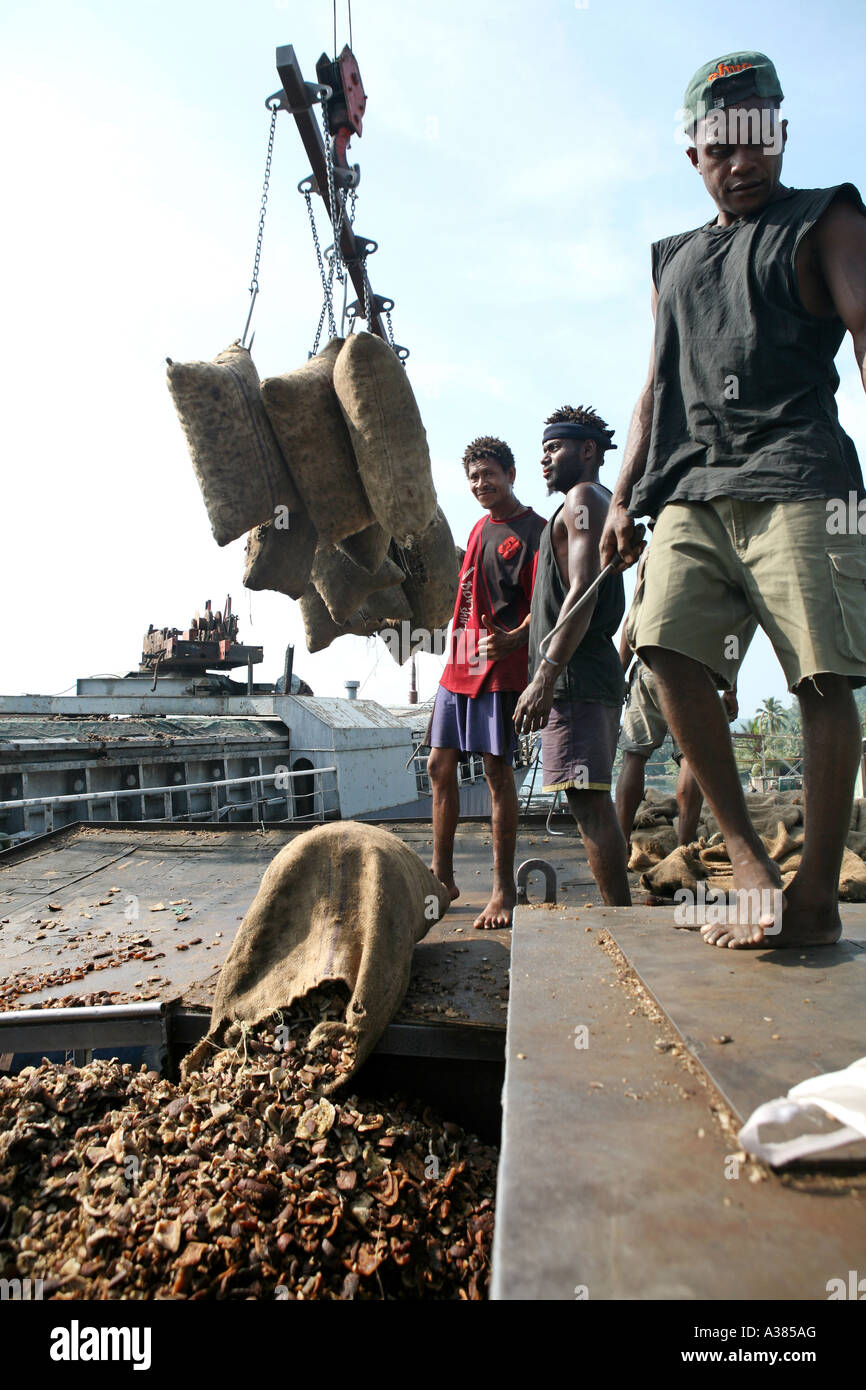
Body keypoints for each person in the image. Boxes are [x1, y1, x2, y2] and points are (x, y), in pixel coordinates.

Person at [599, 51, 866, 949]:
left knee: (821, 673)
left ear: (780, 135)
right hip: (691, 487)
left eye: (759, 140)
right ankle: (748, 862)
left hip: (799, 474)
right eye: (722, 148)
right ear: (695, 157)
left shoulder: (823, 217)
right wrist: (621, 493)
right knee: (665, 646)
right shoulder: (672, 259)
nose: (743, 163)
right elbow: (652, 384)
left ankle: (817, 896)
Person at [515, 406, 631, 906]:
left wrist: (545, 675)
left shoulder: (584, 498)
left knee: (589, 806)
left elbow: (583, 591)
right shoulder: (584, 504)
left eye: (554, 447)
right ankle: (619, 912)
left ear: (587, 450)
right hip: (579, 676)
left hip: (577, 678)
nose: (544, 459)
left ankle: (621, 920)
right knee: (588, 802)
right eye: (542, 449)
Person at [428, 437, 545, 930]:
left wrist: (515, 641)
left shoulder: (537, 532)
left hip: (500, 667)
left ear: (512, 474)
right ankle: (443, 878)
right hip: (460, 660)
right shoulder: (478, 527)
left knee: (497, 773)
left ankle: (503, 891)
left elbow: (547, 606)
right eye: (474, 477)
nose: (481, 484)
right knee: (438, 766)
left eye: (489, 474)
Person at [616, 552, 750, 848]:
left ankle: (620, 845)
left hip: (648, 661)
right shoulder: (714, 544)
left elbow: (633, 617)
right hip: (695, 664)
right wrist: (731, 687)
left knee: (634, 755)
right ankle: (684, 846)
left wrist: (620, 672)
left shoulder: (652, 552)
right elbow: (732, 626)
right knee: (693, 755)